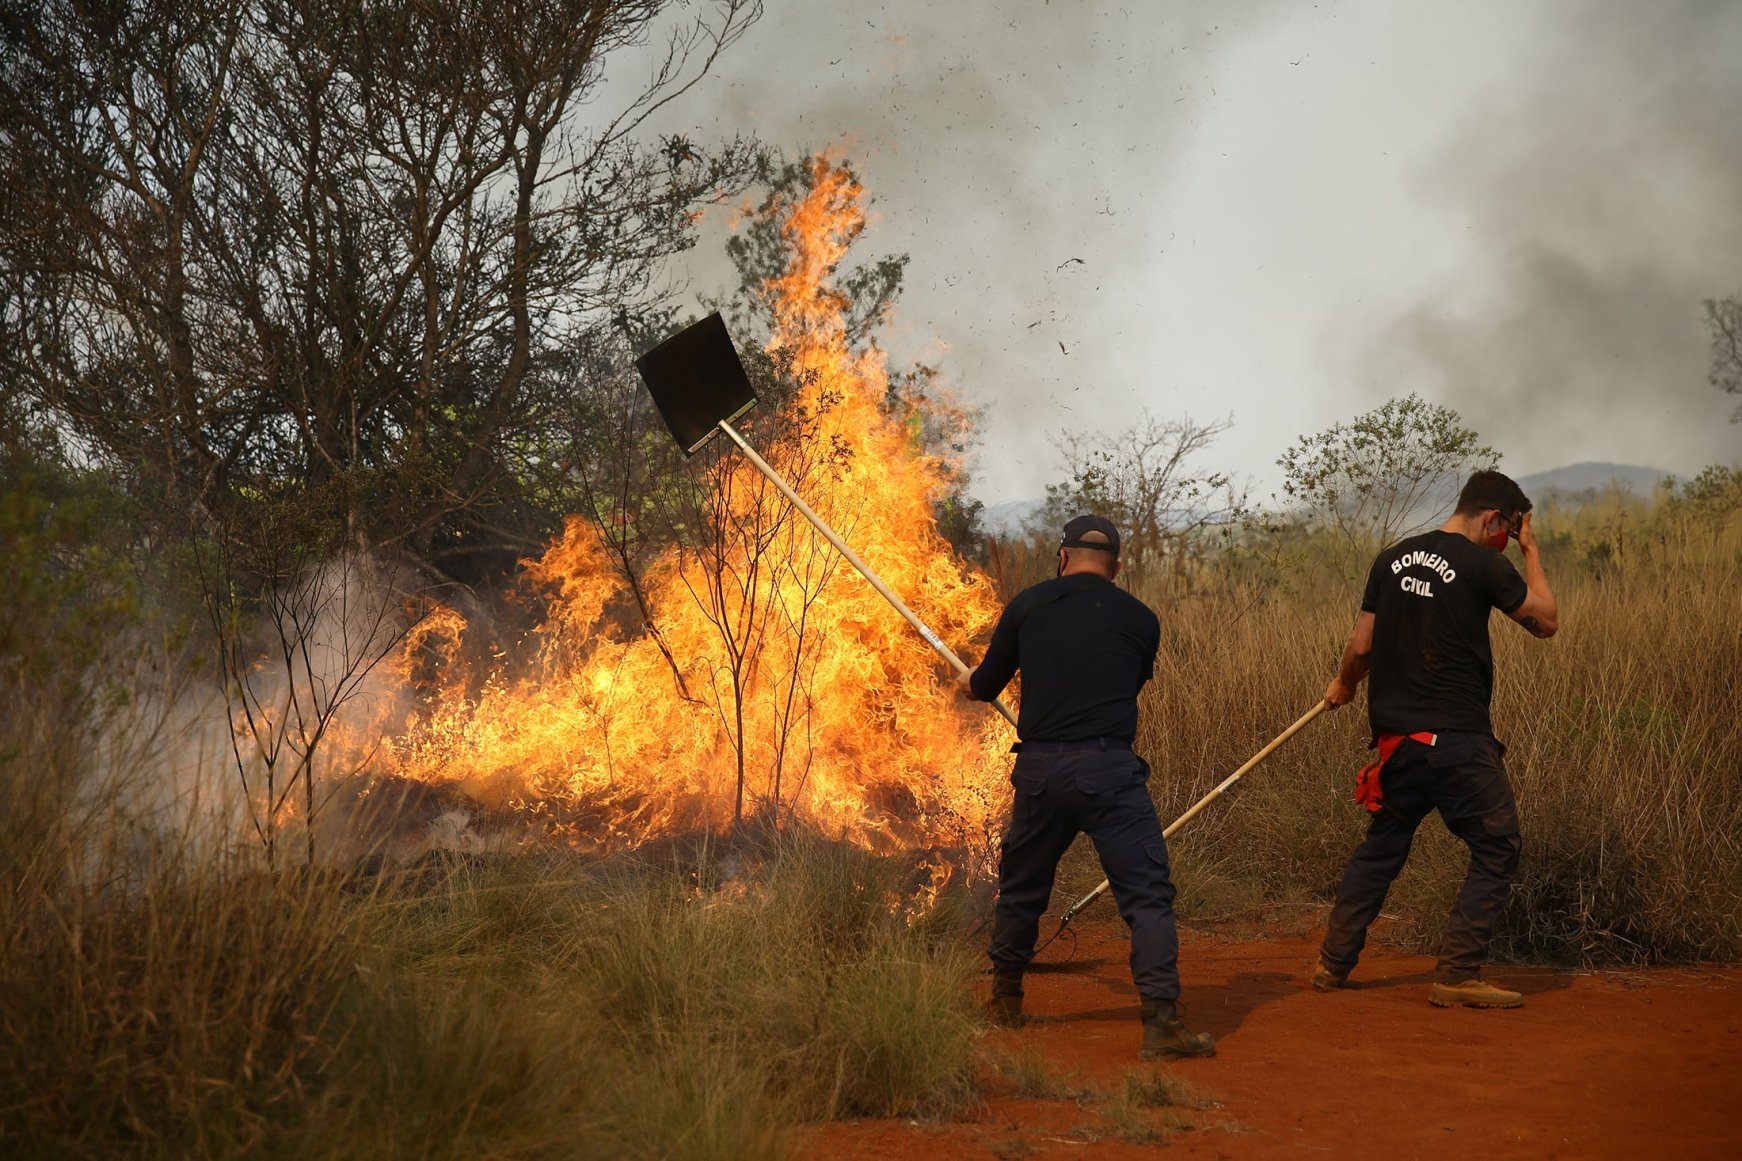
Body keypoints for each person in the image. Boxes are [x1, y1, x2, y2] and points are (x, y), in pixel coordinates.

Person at [957, 514, 1214, 1060]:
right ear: (1116, 568)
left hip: (1041, 770)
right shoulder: (1142, 619)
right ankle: (1162, 1024)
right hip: (1109, 771)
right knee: (1146, 895)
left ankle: (1005, 1000)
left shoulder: (1029, 605)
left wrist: (967, 683)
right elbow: (1129, 678)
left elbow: (985, 686)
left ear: (1062, 556)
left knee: (1023, 886)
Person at [1314, 469, 1558, 1008]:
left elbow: (1360, 646)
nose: (1509, 540)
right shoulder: (1485, 564)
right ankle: (1459, 973)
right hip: (1456, 741)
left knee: (1382, 848)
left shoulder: (1391, 558)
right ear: (1494, 518)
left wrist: (1344, 683)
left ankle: (1333, 963)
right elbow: (1546, 621)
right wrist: (1532, 553)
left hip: (1397, 744)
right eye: (1510, 529)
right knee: (1498, 845)